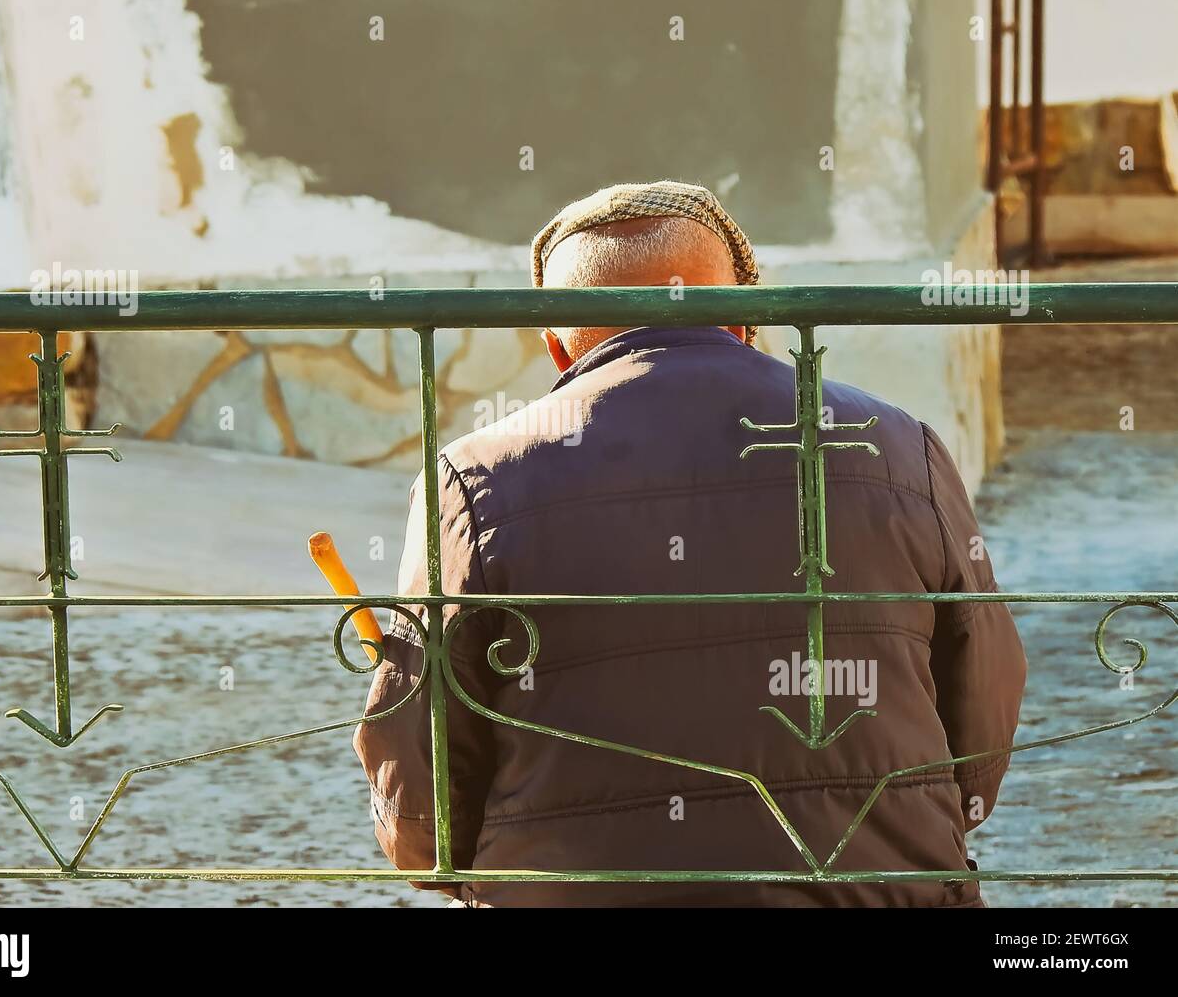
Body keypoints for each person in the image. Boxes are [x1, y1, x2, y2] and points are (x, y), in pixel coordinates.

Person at [354, 180, 1026, 907]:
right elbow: (984, 694)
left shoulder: (473, 480)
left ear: (555, 345)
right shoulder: (900, 447)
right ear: (745, 318)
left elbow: (422, 789)